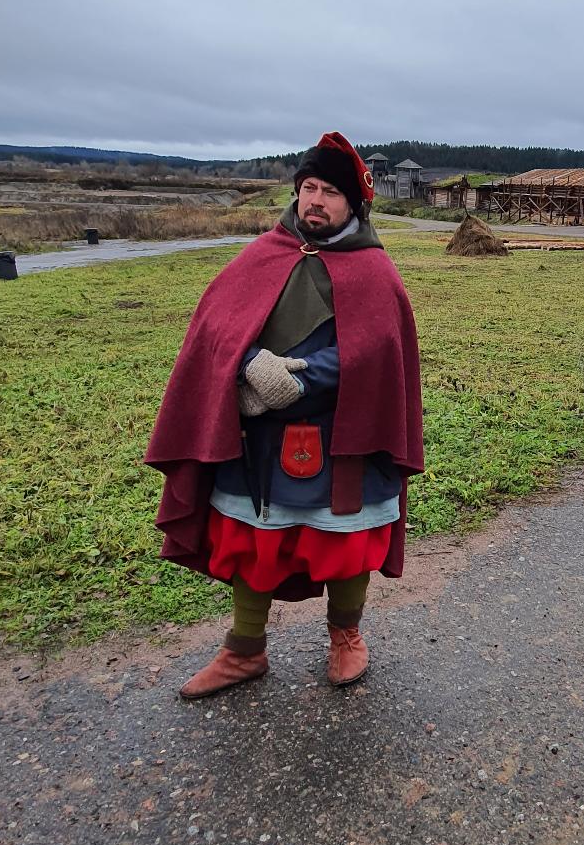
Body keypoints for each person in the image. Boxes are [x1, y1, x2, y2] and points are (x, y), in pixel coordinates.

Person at [146, 132, 423, 697]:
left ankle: (346, 636)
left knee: (346, 541)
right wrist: (249, 367)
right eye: (307, 188)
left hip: (344, 433)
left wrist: (297, 382)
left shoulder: (375, 271)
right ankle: (244, 651)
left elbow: (373, 354)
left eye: (329, 192)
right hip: (262, 437)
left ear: (355, 203)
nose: (315, 201)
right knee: (254, 540)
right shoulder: (262, 254)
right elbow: (218, 331)